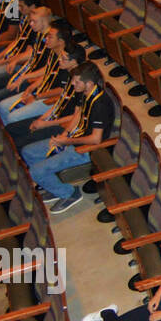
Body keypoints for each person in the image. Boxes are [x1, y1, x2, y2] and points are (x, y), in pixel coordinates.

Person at [21, 63, 114, 213]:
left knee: (35, 172)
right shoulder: (85, 92)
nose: (72, 84)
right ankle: (53, 183)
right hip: (73, 138)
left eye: (76, 82)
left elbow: (96, 139)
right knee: (28, 152)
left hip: (86, 150)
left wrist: (66, 141)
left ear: (89, 83)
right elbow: (78, 116)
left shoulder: (100, 104)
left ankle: (70, 194)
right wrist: (63, 135)